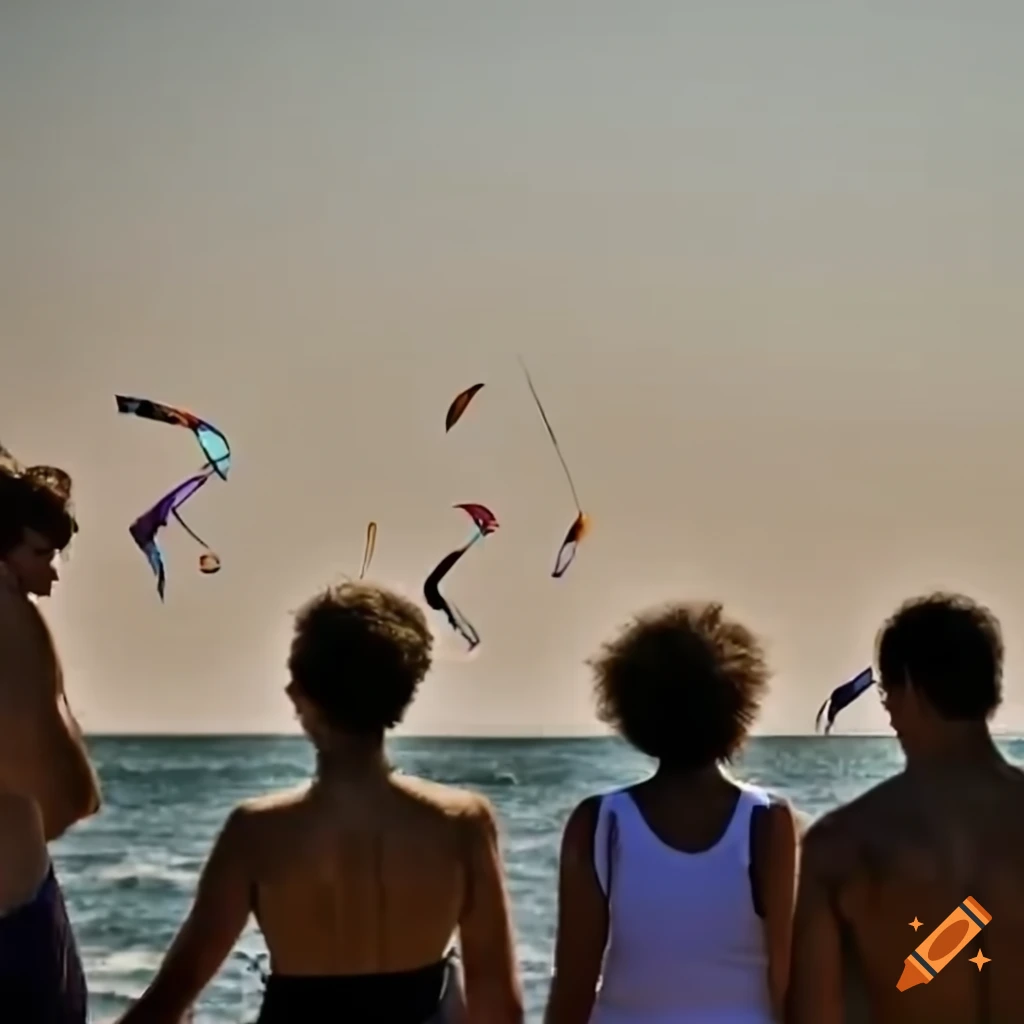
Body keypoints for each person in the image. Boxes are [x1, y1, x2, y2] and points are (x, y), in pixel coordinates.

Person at [116, 580, 524, 1024]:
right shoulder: (461, 823)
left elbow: (170, 999)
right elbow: (498, 1007)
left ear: (300, 697)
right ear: (404, 691)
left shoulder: (256, 833)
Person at [545, 601, 798, 1024]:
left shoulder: (601, 822)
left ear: (632, 711)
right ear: (736, 704)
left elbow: (573, 986)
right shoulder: (766, 821)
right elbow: (785, 979)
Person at [786, 591, 1024, 1024]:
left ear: (910, 687)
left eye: (885, 693)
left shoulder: (844, 846)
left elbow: (817, 1013)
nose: (888, 709)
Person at [0, 457, 102, 1021]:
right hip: (13, 928)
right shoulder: (12, 623)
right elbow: (68, 801)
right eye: (40, 554)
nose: (53, 574)